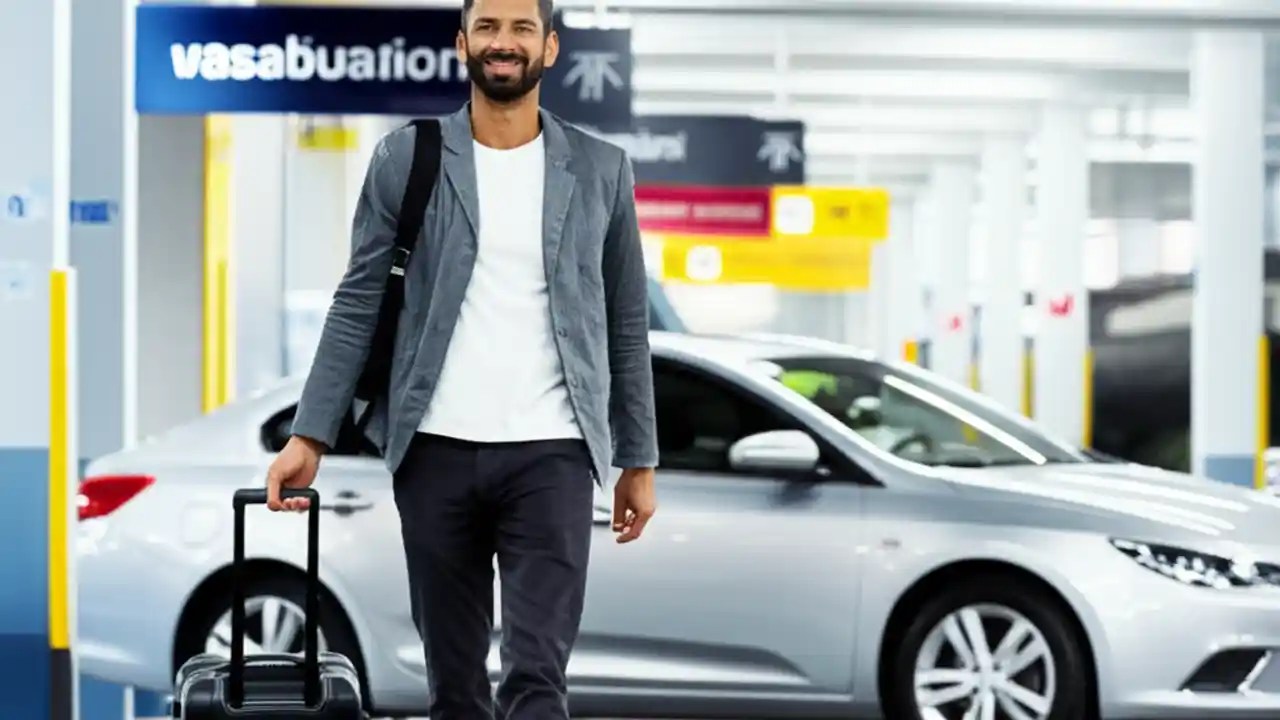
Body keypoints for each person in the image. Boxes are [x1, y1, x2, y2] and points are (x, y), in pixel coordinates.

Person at [262, 0, 660, 717]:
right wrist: (308, 434)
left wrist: (639, 458)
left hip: (554, 452)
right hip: (435, 451)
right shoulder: (407, 158)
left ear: (550, 49)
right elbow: (357, 303)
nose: (503, 43)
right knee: (453, 685)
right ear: (461, 45)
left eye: (520, 29)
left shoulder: (602, 169)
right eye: (487, 28)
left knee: (538, 679)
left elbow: (626, 324)